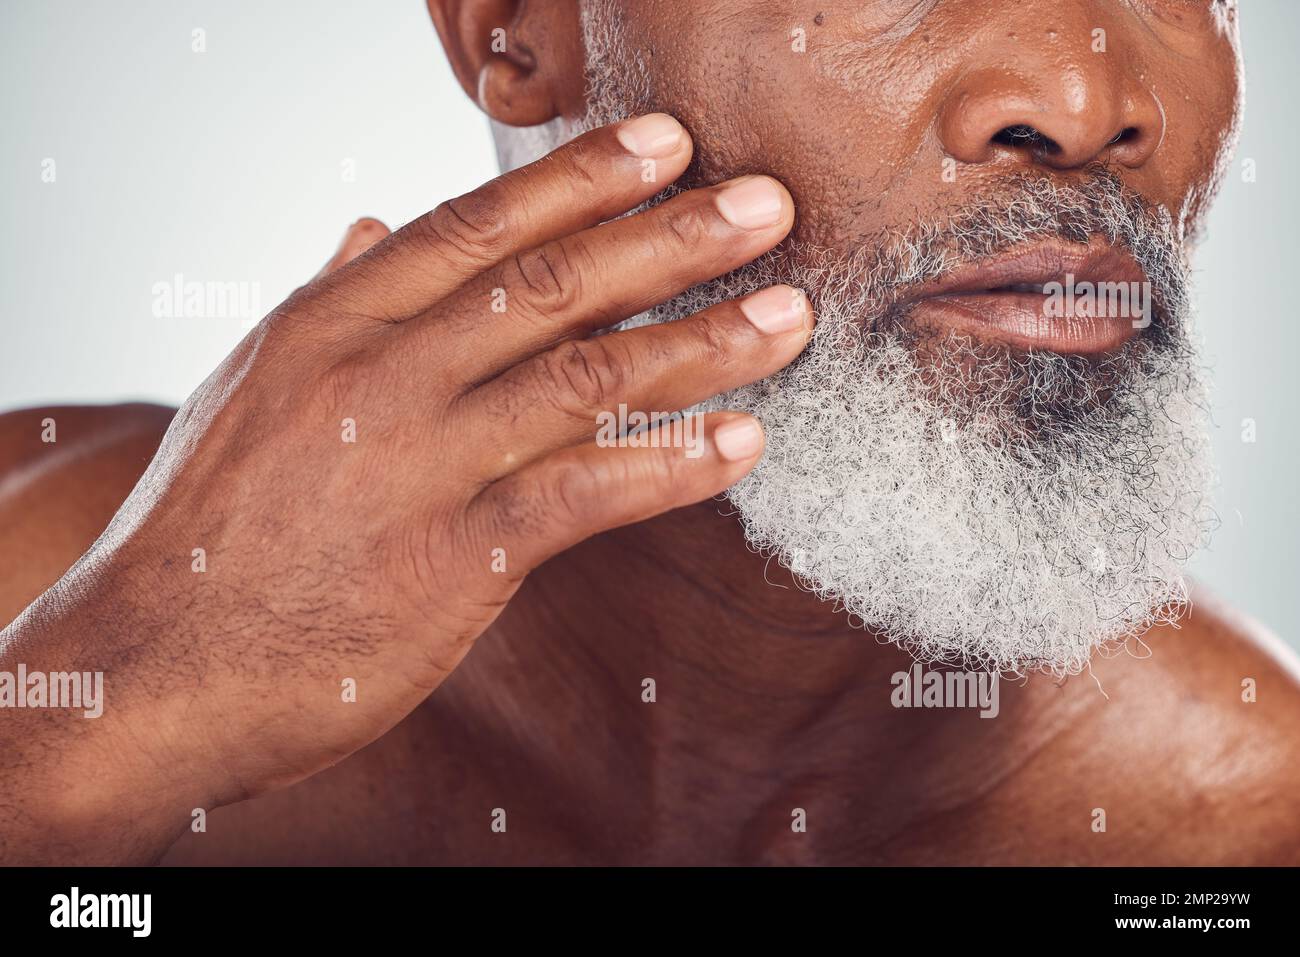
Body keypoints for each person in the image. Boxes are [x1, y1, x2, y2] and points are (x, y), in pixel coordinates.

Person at [2, 0, 1297, 865]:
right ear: (515, 30)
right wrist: (83, 739)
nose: (1087, 97)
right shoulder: (35, 604)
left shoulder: (1246, 826)